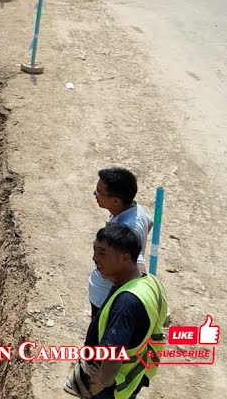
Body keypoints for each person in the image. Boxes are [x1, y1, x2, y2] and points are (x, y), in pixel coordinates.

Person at [64, 224, 168, 399]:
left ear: (125, 258)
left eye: (102, 253)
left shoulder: (126, 303)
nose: (94, 258)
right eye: (94, 250)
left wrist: (104, 380)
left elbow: (113, 353)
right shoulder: (149, 281)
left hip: (111, 389)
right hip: (134, 376)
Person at [88, 168, 154, 329]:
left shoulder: (127, 228)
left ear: (116, 201)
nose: (95, 194)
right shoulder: (134, 209)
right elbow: (149, 222)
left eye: (99, 192)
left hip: (106, 299)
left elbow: (138, 267)